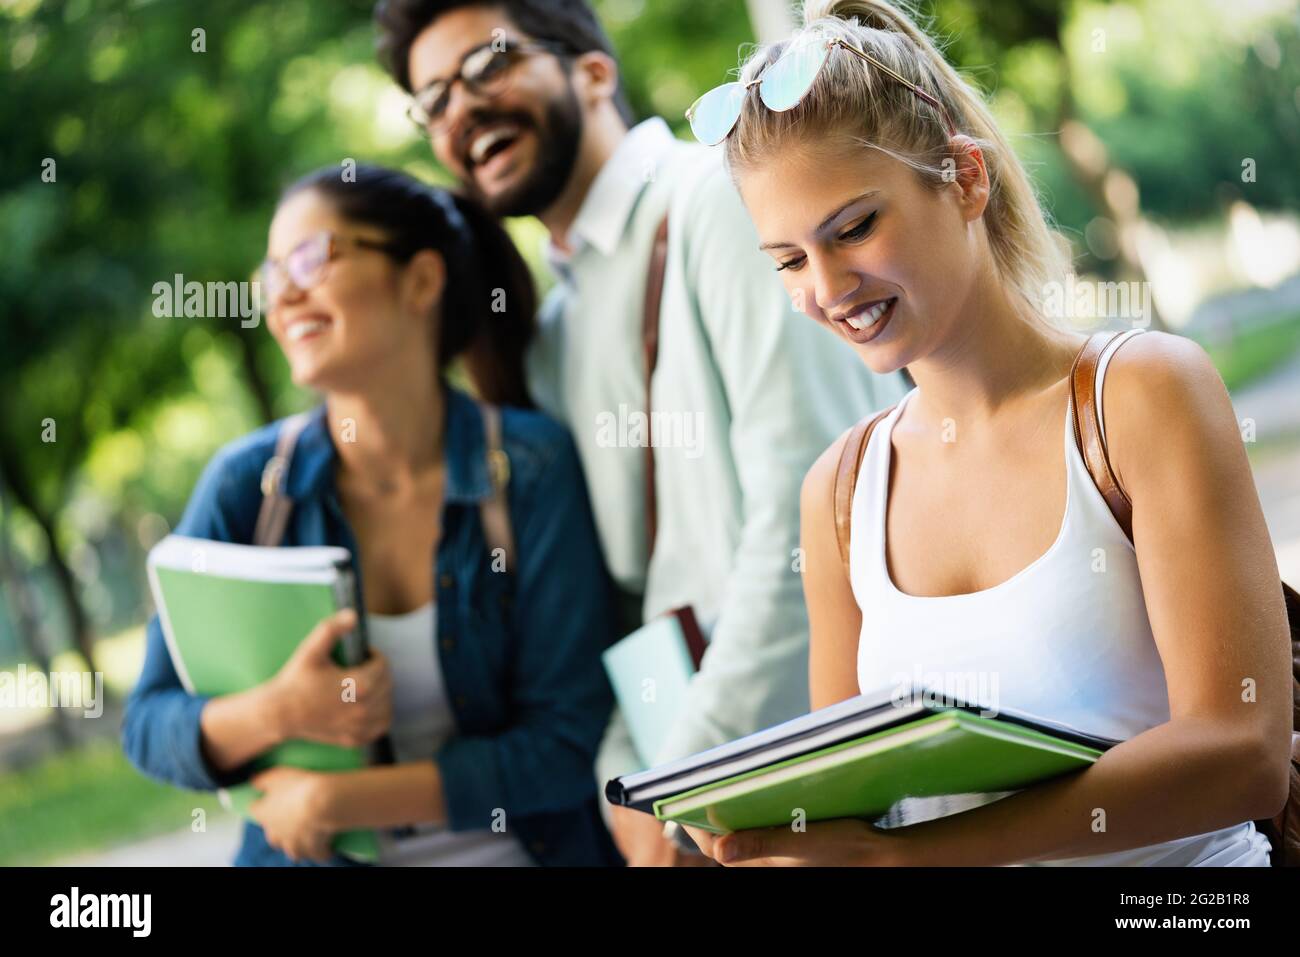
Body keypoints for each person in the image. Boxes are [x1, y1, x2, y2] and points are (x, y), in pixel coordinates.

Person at [680, 0, 1292, 866]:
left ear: (966, 178)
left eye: (854, 227)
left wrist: (917, 857)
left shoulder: (1142, 394)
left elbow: (1245, 754)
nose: (827, 286)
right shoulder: (841, 493)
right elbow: (858, 798)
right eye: (788, 259)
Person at [374, 0, 909, 865]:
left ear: (592, 70)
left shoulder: (719, 201)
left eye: (487, 65)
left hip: (818, 764)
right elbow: (629, 595)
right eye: (432, 99)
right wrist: (634, 768)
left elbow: (817, 508)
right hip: (718, 787)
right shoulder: (553, 333)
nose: (460, 108)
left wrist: (682, 770)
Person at [121, 164, 622, 867]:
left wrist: (337, 802)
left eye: (310, 257)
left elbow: (565, 744)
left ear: (420, 280)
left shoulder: (530, 468)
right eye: (272, 271)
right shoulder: (249, 486)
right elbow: (147, 723)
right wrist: (283, 710)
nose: (283, 292)